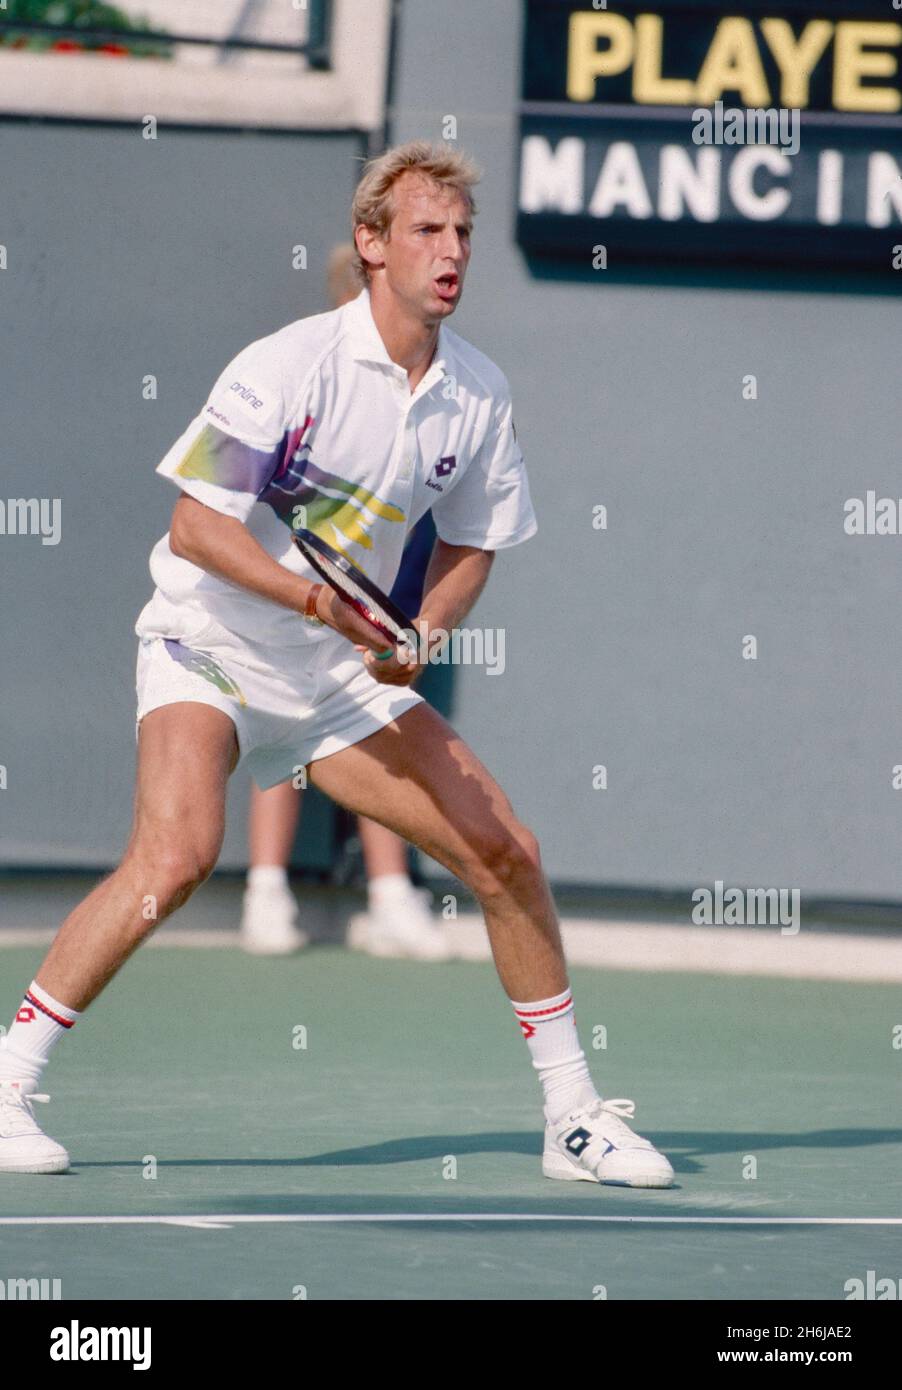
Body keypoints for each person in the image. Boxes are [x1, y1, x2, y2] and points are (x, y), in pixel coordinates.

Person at [0, 141, 674, 1189]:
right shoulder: (283, 367)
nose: (449, 253)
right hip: (208, 643)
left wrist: (427, 629)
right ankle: (8, 1082)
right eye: (424, 231)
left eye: (460, 234)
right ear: (371, 244)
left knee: (505, 852)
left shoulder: (476, 394)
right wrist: (320, 600)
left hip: (334, 680)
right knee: (175, 856)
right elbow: (193, 528)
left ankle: (572, 1119)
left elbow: (471, 541)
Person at [241, 246, 453, 961]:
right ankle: (265, 894)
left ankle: (392, 898)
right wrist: (307, 596)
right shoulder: (306, 374)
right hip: (292, 602)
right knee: (282, 735)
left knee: (378, 730)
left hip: (383, 599)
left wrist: (421, 622)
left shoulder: (437, 389)